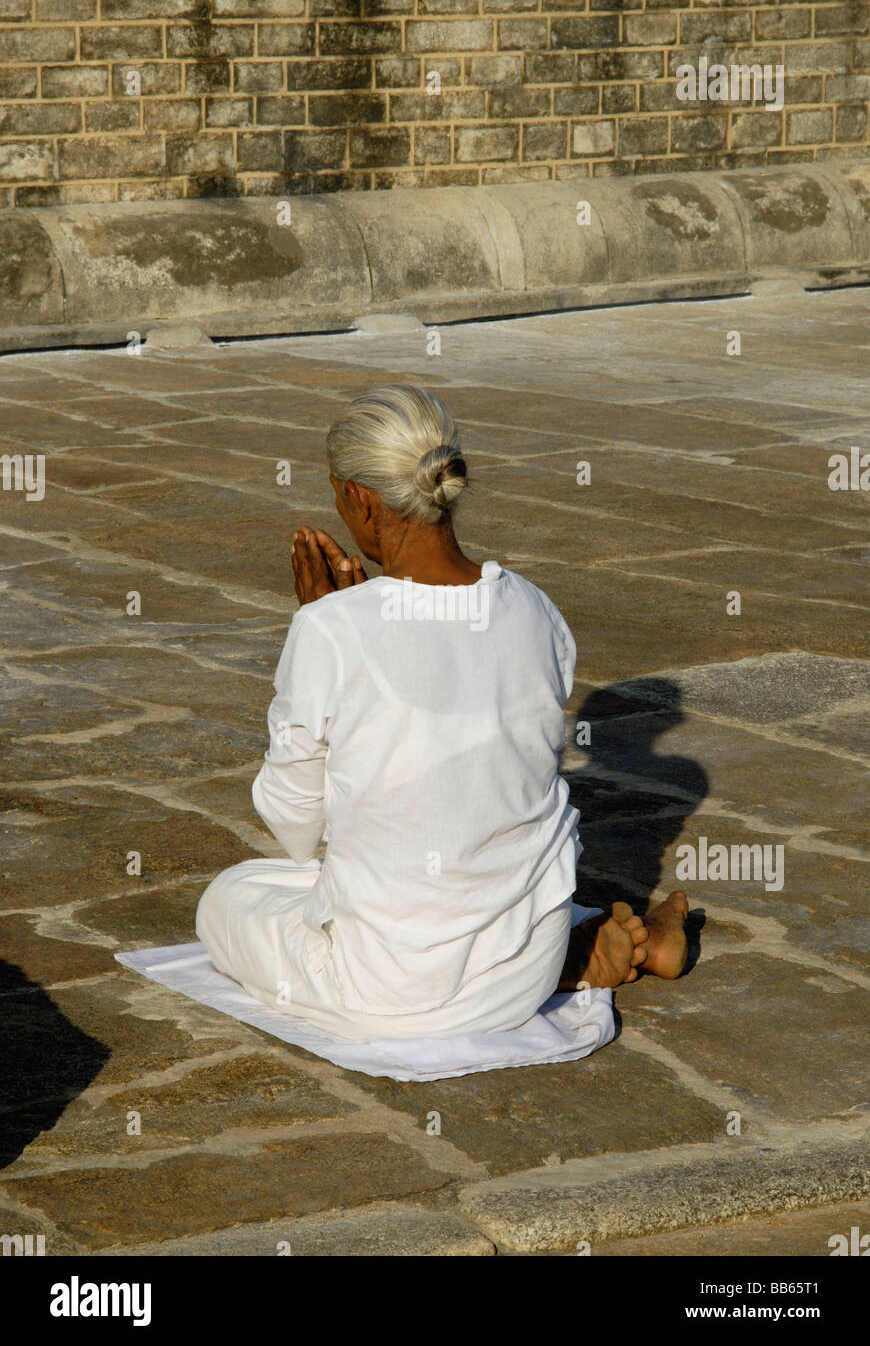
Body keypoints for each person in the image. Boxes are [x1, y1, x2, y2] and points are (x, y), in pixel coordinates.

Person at [196, 385, 689, 1042]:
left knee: (232, 896)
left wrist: (320, 629)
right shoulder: (535, 610)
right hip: (522, 972)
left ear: (358, 500)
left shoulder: (331, 630)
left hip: (384, 993)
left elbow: (293, 826)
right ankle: (584, 943)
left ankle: (586, 944)